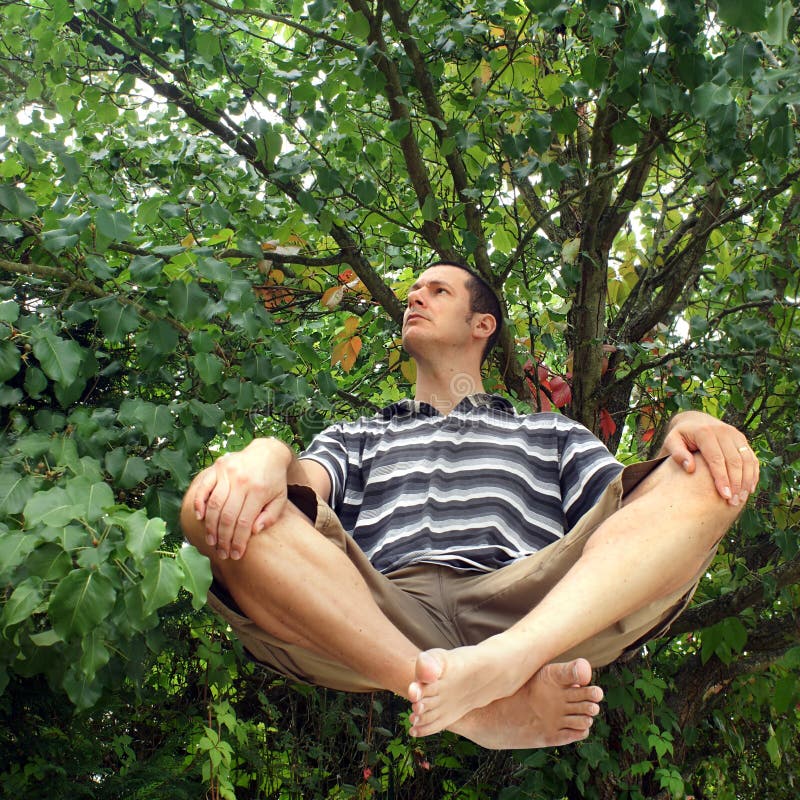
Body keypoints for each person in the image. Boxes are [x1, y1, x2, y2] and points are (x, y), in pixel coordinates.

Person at [181, 262, 758, 750]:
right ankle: (474, 711)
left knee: (709, 471)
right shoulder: (358, 435)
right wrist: (264, 452)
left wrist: (689, 423)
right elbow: (292, 488)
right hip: (376, 617)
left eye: (438, 291)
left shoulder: (550, 433)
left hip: (534, 609)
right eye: (412, 290)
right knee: (212, 504)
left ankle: (505, 662)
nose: (415, 296)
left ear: (482, 324)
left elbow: (637, 512)